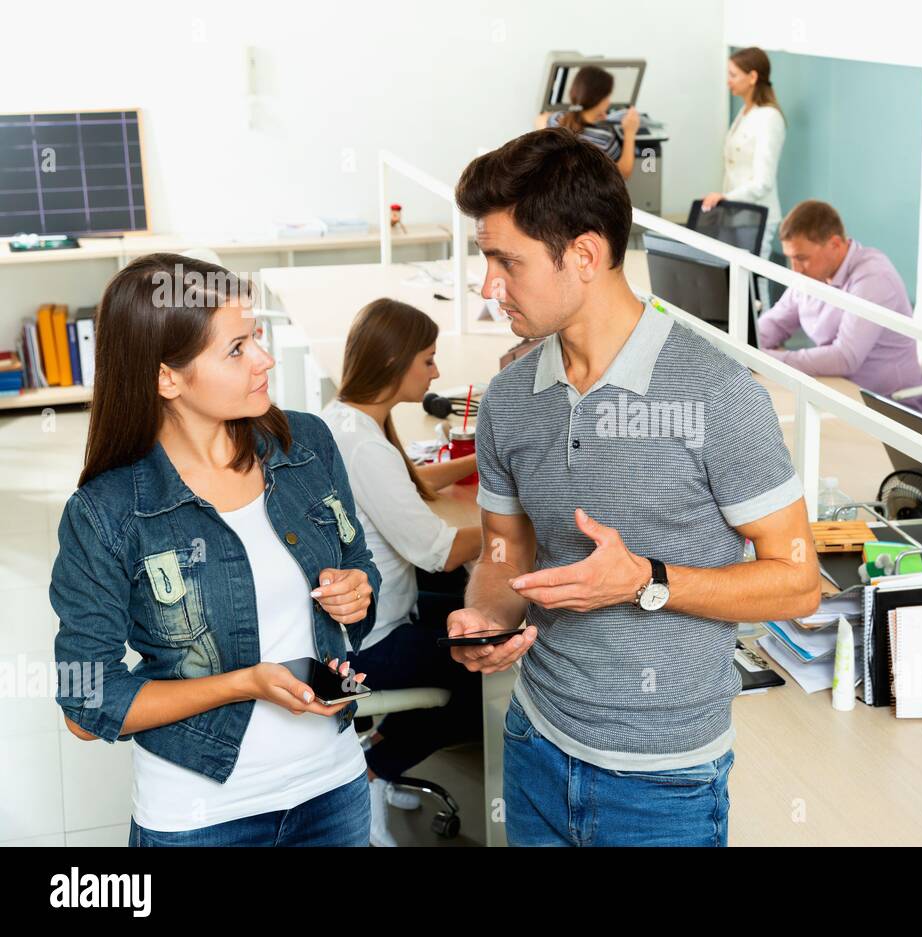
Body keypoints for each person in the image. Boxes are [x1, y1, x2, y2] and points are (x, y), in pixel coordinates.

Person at [447, 127, 821, 846]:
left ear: (584, 255)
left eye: (506, 261)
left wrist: (646, 579)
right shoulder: (509, 399)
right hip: (534, 744)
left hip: (664, 784)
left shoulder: (717, 393)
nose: (488, 285)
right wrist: (486, 619)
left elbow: (800, 581)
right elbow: (504, 556)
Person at [50, 253, 380, 846]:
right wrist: (244, 683)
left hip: (332, 789)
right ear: (166, 378)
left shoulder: (305, 445)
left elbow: (361, 567)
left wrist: (356, 593)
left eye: (257, 336)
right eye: (237, 349)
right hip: (201, 819)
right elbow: (85, 704)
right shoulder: (107, 513)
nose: (265, 358)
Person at [320, 297, 484, 846]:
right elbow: (438, 552)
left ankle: (379, 747)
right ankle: (371, 771)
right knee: (482, 668)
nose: (437, 372)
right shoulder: (366, 449)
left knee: (465, 612)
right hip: (362, 645)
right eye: (428, 360)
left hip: (362, 619)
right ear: (395, 366)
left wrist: (490, 460)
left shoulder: (346, 419)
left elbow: (422, 484)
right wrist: (515, 523)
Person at [758, 199, 922, 411]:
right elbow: (775, 323)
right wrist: (746, 343)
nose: (795, 269)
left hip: (891, 407)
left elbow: (845, 357)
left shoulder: (873, 277)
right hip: (843, 393)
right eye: (791, 258)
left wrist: (770, 358)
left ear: (835, 244)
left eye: (801, 258)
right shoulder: (813, 274)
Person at [701, 47, 786, 262]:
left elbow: (763, 182)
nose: (728, 81)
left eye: (733, 75)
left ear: (752, 77)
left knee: (755, 284)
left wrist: (726, 198)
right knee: (735, 282)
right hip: (736, 213)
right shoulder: (745, 112)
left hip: (757, 214)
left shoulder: (769, 118)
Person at [534, 64, 640, 179]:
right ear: (600, 100)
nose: (609, 101)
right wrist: (630, 132)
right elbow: (623, 173)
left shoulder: (555, 121)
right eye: (608, 96)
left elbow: (540, 118)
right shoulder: (605, 138)